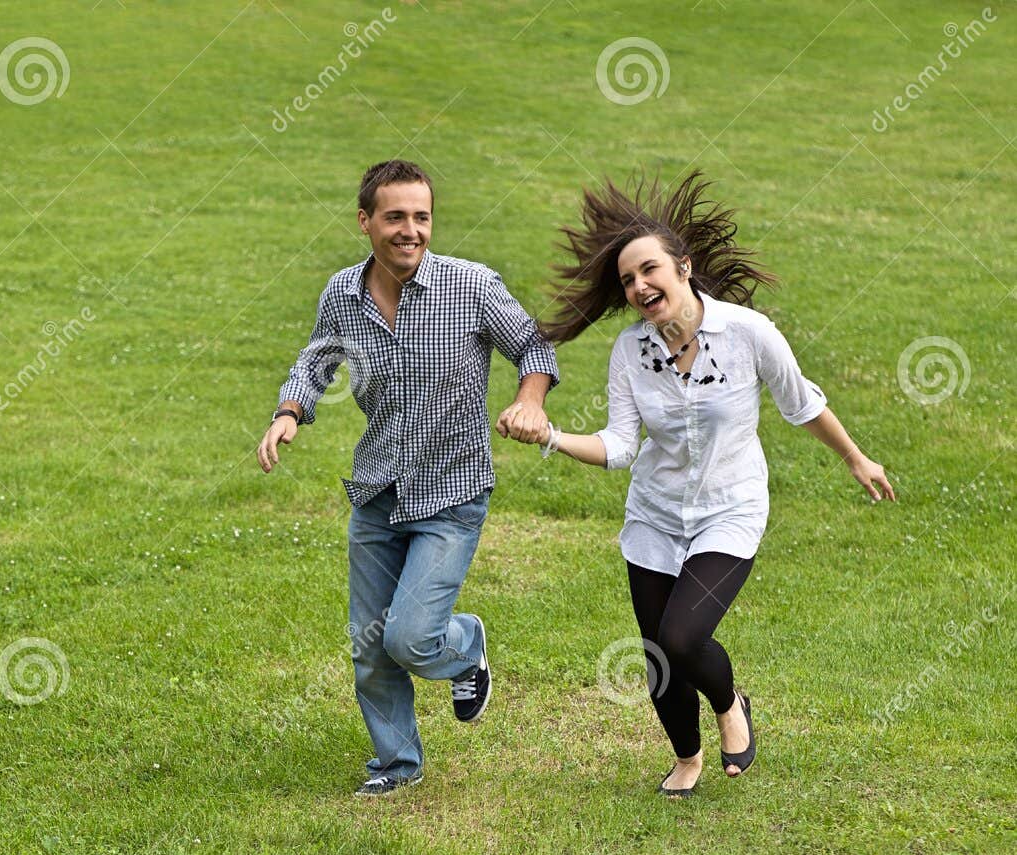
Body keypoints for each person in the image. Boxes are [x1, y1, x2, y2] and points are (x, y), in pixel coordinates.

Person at [503, 171, 895, 796]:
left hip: (730, 506)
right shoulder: (630, 353)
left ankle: (730, 704)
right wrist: (548, 435)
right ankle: (686, 757)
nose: (638, 286)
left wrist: (855, 457)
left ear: (683, 268)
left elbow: (801, 402)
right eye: (628, 280)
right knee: (658, 654)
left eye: (648, 270)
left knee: (683, 638)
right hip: (655, 514)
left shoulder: (748, 333)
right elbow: (620, 448)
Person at [256, 159, 558, 797]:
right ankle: (396, 765)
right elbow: (316, 360)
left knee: (411, 636)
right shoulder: (344, 293)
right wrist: (289, 413)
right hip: (377, 488)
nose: (410, 230)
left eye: (421, 217)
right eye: (395, 217)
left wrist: (530, 401)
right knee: (370, 647)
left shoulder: (470, 286)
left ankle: (466, 643)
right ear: (365, 221)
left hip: (451, 493)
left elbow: (535, 347)